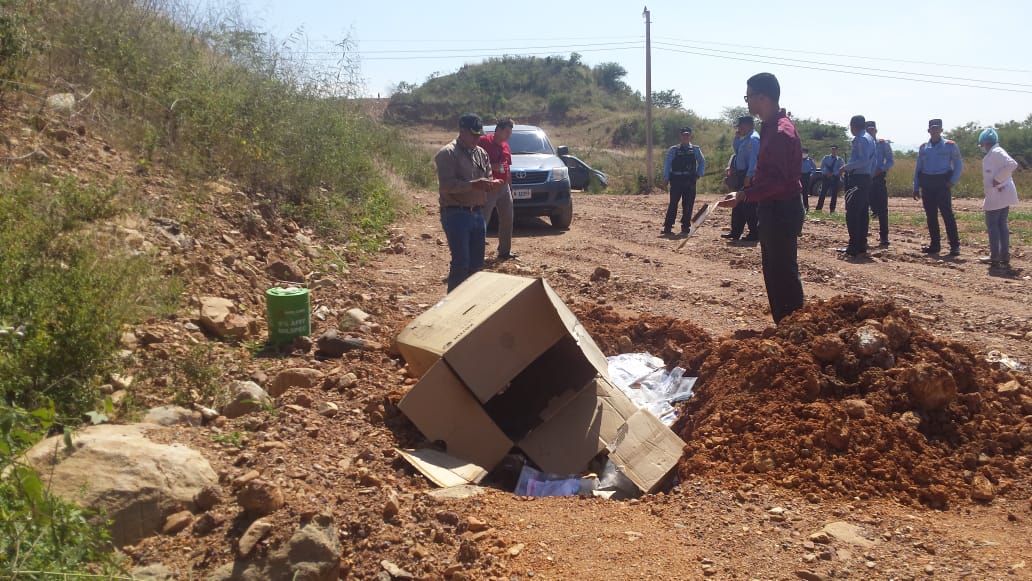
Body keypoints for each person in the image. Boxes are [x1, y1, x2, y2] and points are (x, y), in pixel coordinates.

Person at [718, 73, 804, 324]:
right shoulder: (770, 128)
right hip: (773, 207)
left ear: (763, 97)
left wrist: (745, 195)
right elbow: (768, 175)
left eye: (749, 96)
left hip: (781, 209)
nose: (747, 102)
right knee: (775, 273)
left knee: (783, 275)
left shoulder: (779, 132)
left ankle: (794, 330)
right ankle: (786, 327)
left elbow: (778, 182)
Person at [434, 113, 502, 292]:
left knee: (476, 265)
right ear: (462, 131)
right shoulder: (447, 154)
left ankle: (470, 305)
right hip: (456, 213)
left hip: (477, 214)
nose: (477, 138)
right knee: (461, 262)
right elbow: (446, 186)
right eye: (473, 134)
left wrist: (491, 185)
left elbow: (487, 176)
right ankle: (453, 306)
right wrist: (474, 185)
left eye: (479, 134)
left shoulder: (481, 153)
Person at [913, 118, 963, 256]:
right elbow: (918, 168)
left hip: (942, 183)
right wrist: (915, 187)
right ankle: (935, 245)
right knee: (931, 216)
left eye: (937, 128)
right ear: (928, 130)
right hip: (927, 184)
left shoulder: (950, 145)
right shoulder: (923, 147)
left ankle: (954, 246)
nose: (934, 131)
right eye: (932, 129)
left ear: (941, 130)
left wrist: (952, 181)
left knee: (947, 215)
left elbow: (958, 165)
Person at [976, 127, 1019, 271]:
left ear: (985, 143)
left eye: (982, 145)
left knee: (993, 224)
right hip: (1000, 193)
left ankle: (995, 255)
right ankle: (1003, 255)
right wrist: (999, 181)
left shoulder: (996, 152)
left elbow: (1012, 164)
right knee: (1001, 224)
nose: (982, 147)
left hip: (998, 194)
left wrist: (998, 180)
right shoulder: (995, 152)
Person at [836, 115, 876, 258]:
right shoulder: (870, 138)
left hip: (857, 178)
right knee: (862, 212)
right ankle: (861, 244)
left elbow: (863, 160)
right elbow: (872, 161)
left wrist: (845, 167)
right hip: (865, 178)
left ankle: (854, 245)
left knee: (852, 212)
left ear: (853, 126)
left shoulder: (861, 139)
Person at [478, 118, 516, 260]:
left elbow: (508, 168)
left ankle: (505, 251)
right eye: (506, 131)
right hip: (489, 186)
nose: (508, 135)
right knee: (483, 219)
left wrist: (510, 187)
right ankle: (477, 253)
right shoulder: (483, 142)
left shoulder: (506, 147)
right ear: (498, 130)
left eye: (510, 132)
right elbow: (473, 161)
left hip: (504, 186)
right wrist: (491, 166)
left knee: (507, 218)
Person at [661, 126, 706, 236]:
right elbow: (667, 164)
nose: (685, 137)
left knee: (688, 204)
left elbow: (702, 162)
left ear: (690, 136)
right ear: (680, 136)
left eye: (687, 135)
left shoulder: (695, 149)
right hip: (676, 180)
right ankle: (668, 226)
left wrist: (698, 174)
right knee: (673, 204)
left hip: (690, 180)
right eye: (683, 135)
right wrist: (666, 178)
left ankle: (685, 226)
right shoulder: (673, 150)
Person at [722, 115, 760, 241]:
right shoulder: (745, 139)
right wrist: (737, 137)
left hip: (748, 175)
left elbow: (754, 160)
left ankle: (754, 233)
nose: (739, 129)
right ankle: (735, 231)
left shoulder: (754, 139)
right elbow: (737, 150)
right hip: (740, 174)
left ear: (748, 125)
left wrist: (749, 175)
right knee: (737, 203)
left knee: (749, 205)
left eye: (741, 126)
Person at [866, 121, 894, 248]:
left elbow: (890, 161)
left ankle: (884, 238)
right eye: (868, 130)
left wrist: (881, 169)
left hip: (879, 179)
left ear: (876, 131)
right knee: (864, 209)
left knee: (883, 210)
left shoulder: (882, 144)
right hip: (865, 179)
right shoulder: (862, 143)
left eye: (872, 130)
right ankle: (863, 236)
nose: (870, 132)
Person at [815, 145, 843, 212]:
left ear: (837, 150)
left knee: (834, 194)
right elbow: (822, 167)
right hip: (826, 177)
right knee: (823, 193)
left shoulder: (840, 160)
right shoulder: (826, 158)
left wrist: (833, 173)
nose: (833, 151)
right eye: (832, 149)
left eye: (835, 149)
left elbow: (841, 169)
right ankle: (818, 209)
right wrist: (826, 173)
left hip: (835, 178)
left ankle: (832, 210)